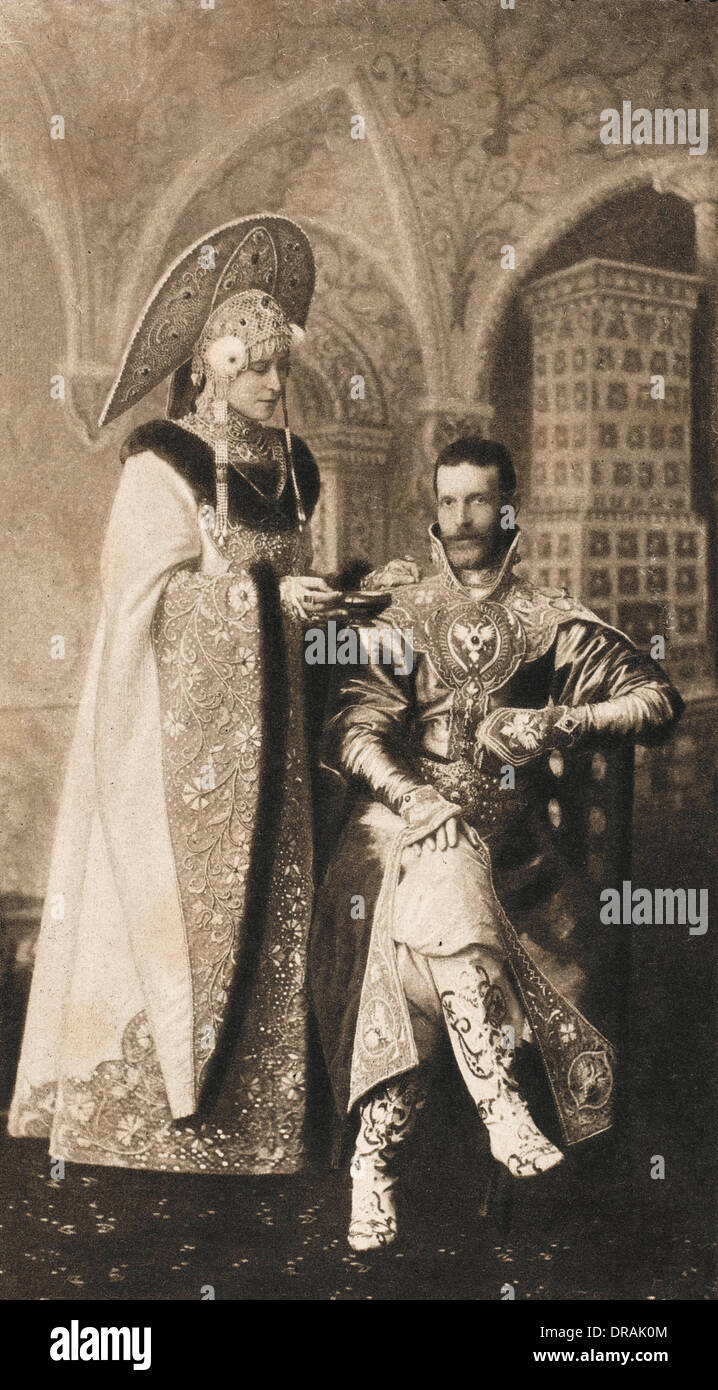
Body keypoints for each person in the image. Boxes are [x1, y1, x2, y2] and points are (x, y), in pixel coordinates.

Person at [8, 214, 343, 1173]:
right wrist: (266, 597)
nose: (273, 384)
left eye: (281, 366)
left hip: (274, 735)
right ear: (209, 368)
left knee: (277, 910)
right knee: (168, 918)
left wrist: (329, 597)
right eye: (254, 367)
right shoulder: (163, 463)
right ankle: (157, 1117)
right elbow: (139, 607)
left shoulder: (295, 469)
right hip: (173, 743)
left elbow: (289, 588)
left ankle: (262, 1127)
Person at [309, 437, 684, 1251]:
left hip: (519, 865)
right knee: (440, 864)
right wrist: (418, 799)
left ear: (509, 508)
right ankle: (498, 1105)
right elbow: (356, 731)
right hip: (393, 844)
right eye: (448, 502)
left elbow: (656, 701)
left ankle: (374, 1166)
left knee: (440, 920)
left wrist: (558, 722)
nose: (461, 519)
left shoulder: (548, 620)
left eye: (478, 500)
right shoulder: (401, 614)